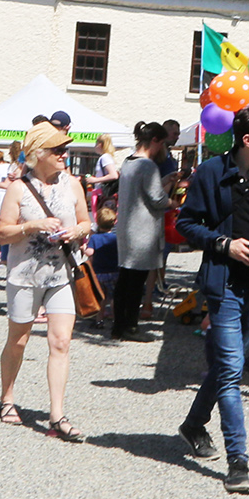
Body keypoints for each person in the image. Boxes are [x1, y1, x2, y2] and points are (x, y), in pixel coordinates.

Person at [175, 100, 249, 494]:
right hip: (222, 284)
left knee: (228, 366)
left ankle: (193, 424)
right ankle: (238, 461)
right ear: (247, 139)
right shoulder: (209, 172)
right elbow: (186, 223)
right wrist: (224, 244)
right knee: (231, 372)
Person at [0, 122, 88, 441]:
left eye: (65, 149)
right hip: (24, 275)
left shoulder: (72, 184)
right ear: (38, 154)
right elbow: (2, 232)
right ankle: (7, 398)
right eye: (58, 150)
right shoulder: (18, 188)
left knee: (61, 342)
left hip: (61, 274)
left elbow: (87, 221)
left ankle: (57, 415)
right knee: (18, 341)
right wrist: (33, 225)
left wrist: (77, 231)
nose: (64, 154)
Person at [112, 120, 173, 340]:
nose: (162, 150)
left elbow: (143, 190)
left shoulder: (129, 162)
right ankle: (131, 326)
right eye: (162, 144)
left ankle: (119, 326)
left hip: (127, 229)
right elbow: (157, 199)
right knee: (135, 283)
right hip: (142, 231)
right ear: (155, 140)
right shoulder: (148, 165)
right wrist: (173, 203)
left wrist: (164, 180)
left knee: (125, 280)